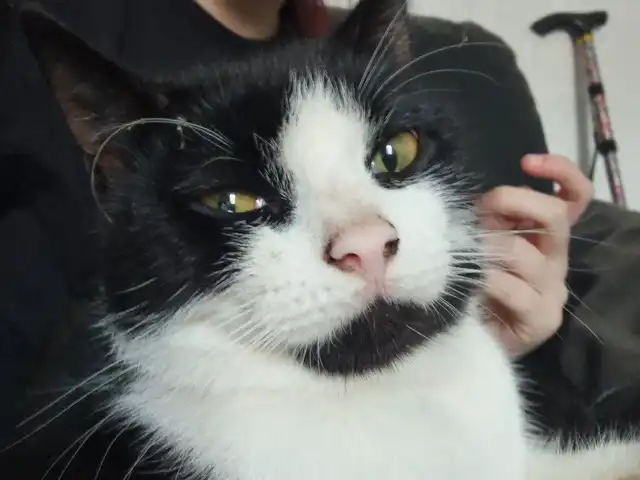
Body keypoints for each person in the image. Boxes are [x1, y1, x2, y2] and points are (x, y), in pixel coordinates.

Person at [0, 0, 591, 442]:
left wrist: (495, 312)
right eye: (237, 201)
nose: (367, 239)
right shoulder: (53, 42)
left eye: (394, 157)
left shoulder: (354, 52)